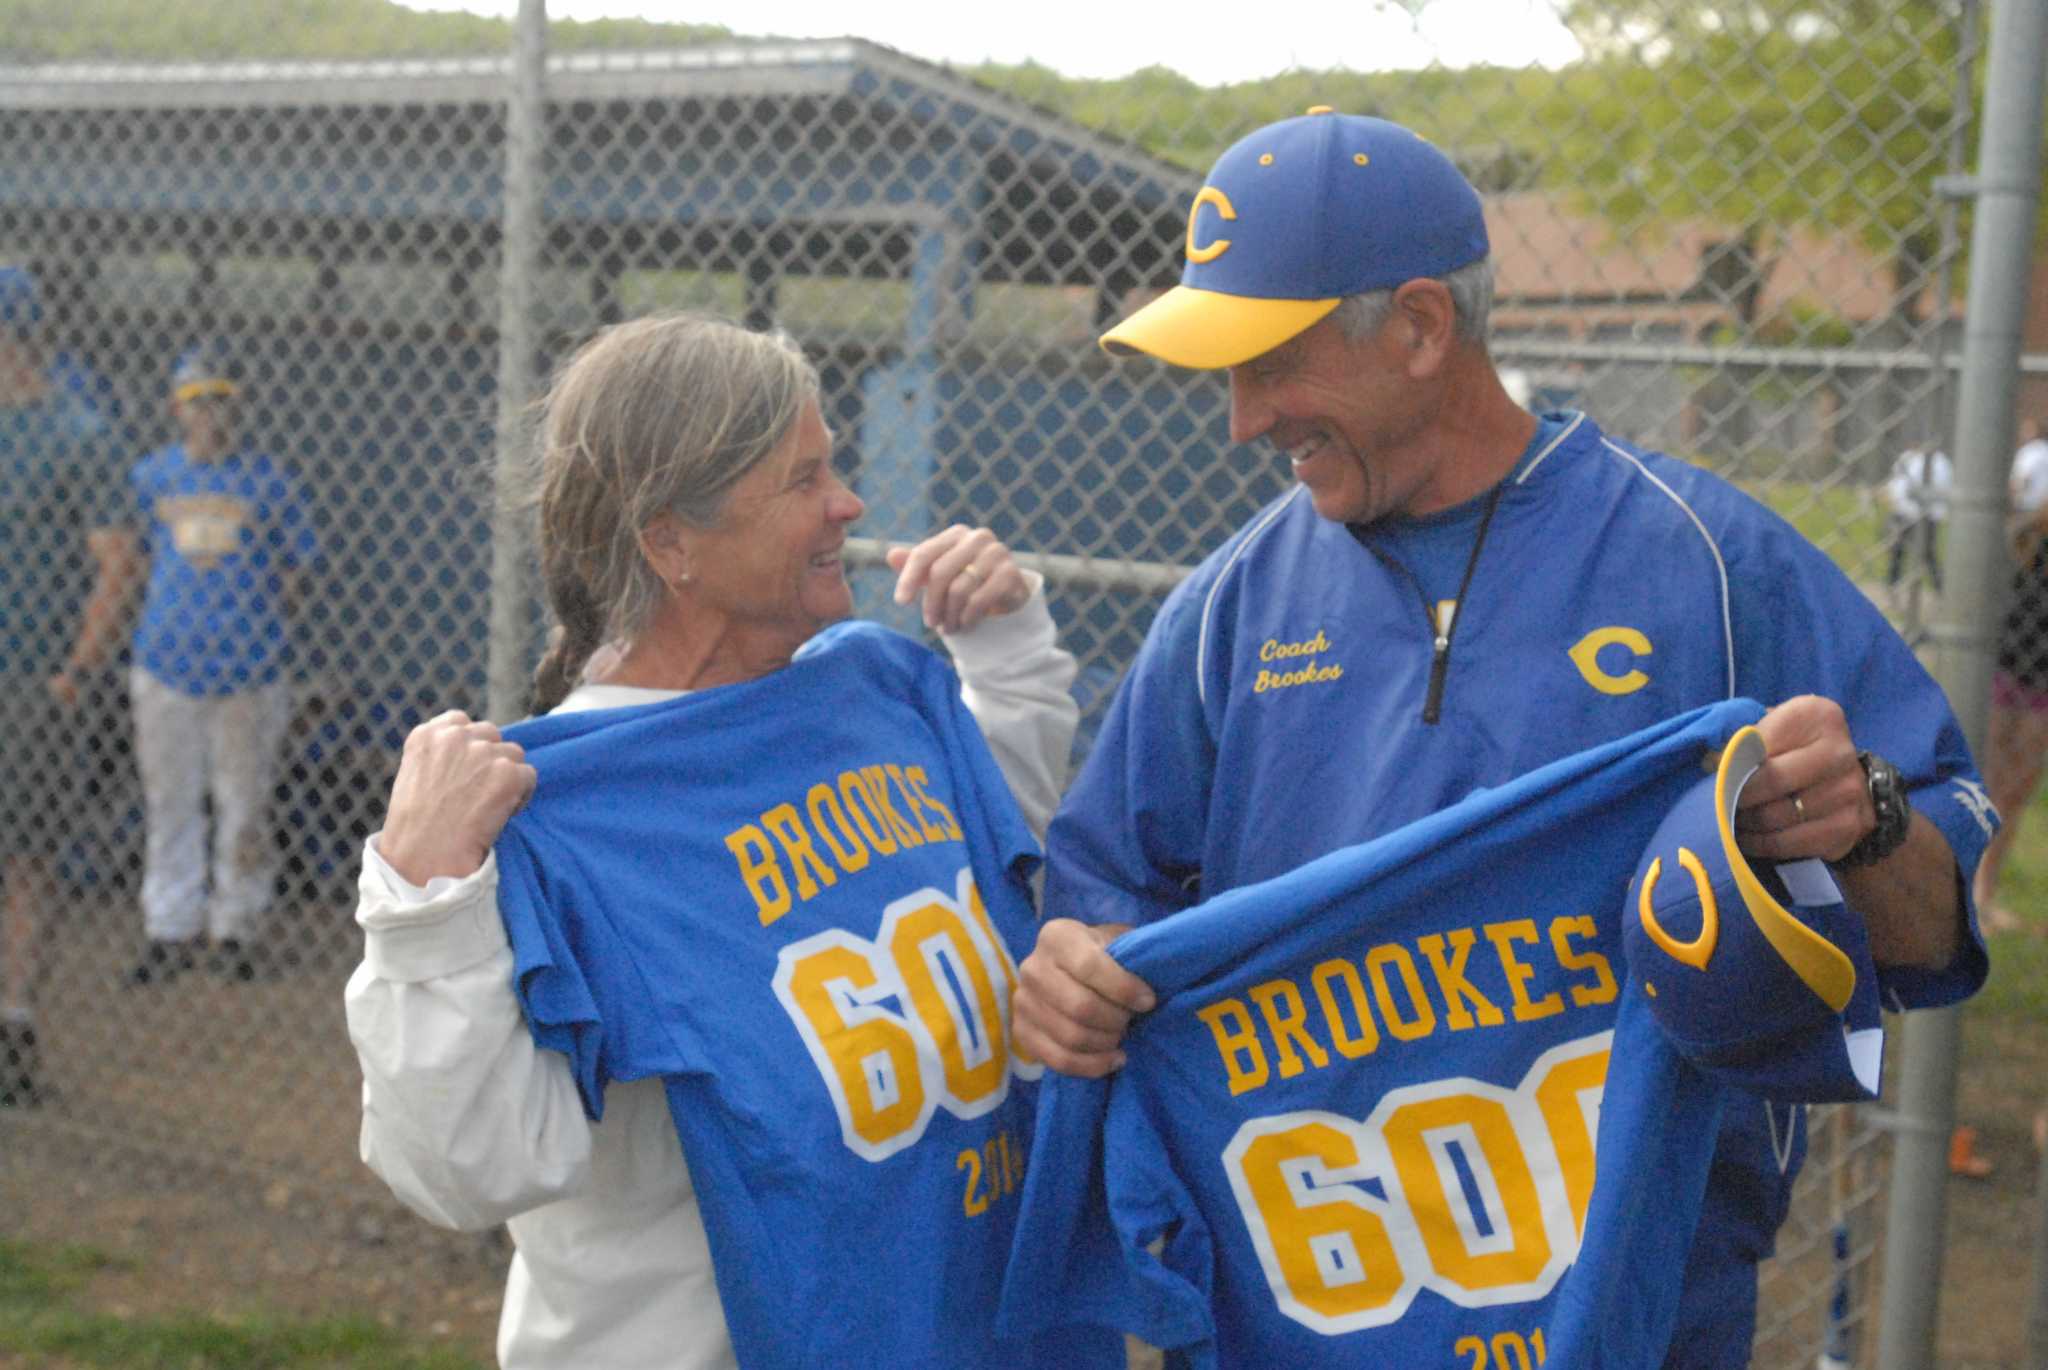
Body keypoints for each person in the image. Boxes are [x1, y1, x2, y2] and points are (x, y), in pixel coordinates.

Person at [1012, 110, 1989, 1369]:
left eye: (1271, 360)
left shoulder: (1706, 560)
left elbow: (1935, 926)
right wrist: (1068, 968)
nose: (1243, 419)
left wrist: (1865, 819)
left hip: (1641, 1307)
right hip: (1307, 1306)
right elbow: (1101, 902)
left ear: (1420, 327)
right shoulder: (1224, 609)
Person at [344, 314, 1113, 1369]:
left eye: (832, 465)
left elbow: (990, 867)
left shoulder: (872, 688)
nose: (847, 503)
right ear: (671, 542)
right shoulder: (554, 818)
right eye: (802, 480)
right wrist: (421, 906)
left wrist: (1006, 648)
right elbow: (464, 1169)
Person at [82, 345, 315, 984]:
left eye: (217, 400)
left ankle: (236, 926)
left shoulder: (268, 481)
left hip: (249, 668)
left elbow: (299, 574)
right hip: (166, 661)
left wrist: (260, 623)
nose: (207, 414)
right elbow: (130, 560)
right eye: (195, 402)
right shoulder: (152, 476)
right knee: (170, 800)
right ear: (176, 410)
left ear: (234, 407)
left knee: (244, 803)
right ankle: (169, 925)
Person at [0, 264, 123, 1107]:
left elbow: (116, 563)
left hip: (30, 683)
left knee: (24, 868)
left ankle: (12, 1030)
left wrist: (73, 675)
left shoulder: (77, 433)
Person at [1977, 415, 2048, 934]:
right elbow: (2009, 539)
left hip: (2043, 672)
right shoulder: (2034, 523)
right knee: (1984, 773)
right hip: (2008, 656)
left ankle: (1984, 891)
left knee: (2017, 787)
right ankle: (1959, 884)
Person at [1881, 440, 1951, 594]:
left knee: (1927, 552)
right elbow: (1897, 482)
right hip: (1903, 512)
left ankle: (1939, 586)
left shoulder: (1940, 462)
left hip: (1926, 516)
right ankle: (1892, 583)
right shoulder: (1907, 457)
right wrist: (1892, 497)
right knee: (1897, 548)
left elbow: (1940, 488)